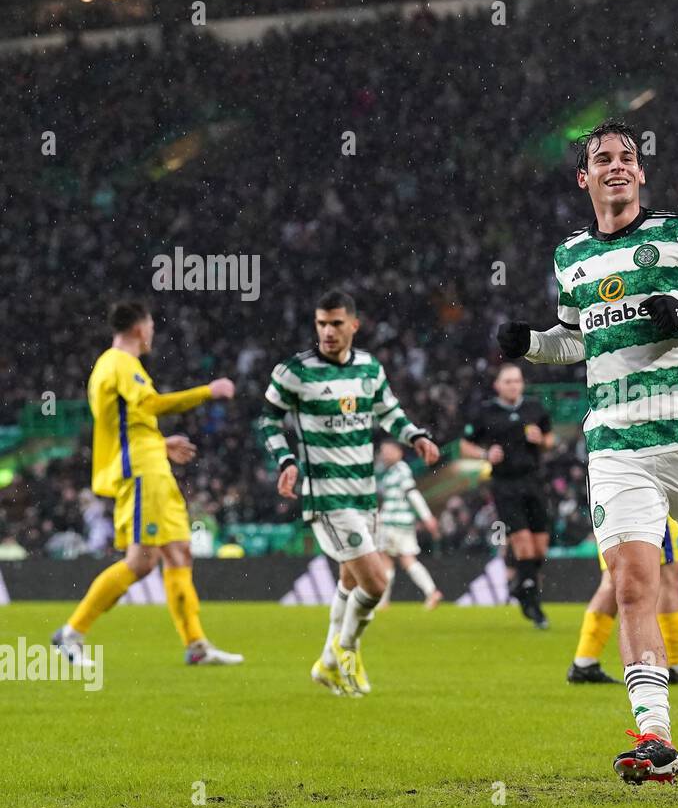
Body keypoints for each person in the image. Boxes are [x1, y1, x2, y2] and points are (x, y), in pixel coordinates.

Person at [497, 118, 678, 785]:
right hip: (615, 446)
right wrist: (530, 345)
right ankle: (655, 737)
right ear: (584, 178)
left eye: (626, 158)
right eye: (602, 159)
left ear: (641, 173)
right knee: (633, 582)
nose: (616, 167)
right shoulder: (569, 255)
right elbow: (577, 341)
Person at [256, 291, 439, 697]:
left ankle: (325, 663)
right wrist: (285, 461)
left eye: (336, 323)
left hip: (363, 492)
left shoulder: (369, 369)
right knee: (375, 582)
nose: (327, 331)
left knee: (348, 579)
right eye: (321, 323)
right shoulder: (294, 371)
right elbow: (268, 419)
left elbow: (389, 411)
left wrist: (416, 437)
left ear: (354, 325)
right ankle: (346, 649)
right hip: (327, 495)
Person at [51, 301, 243, 667]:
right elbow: (152, 404)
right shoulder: (120, 363)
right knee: (141, 561)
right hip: (141, 474)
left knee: (179, 552)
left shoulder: (115, 366)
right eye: (151, 326)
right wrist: (208, 391)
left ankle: (196, 646)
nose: (152, 332)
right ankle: (71, 633)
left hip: (153, 465)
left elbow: (126, 421)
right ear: (141, 328)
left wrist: (160, 443)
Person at [569, 516, 678, 686]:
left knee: (613, 581)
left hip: (609, 504)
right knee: (668, 578)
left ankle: (584, 661)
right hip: (646, 505)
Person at [460, 364, 554, 629]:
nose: (514, 385)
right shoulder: (486, 412)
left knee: (540, 547)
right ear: (497, 385)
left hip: (534, 482)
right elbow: (464, 445)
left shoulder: (535, 408)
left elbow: (550, 439)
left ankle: (523, 586)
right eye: (508, 381)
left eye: (517, 381)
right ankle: (532, 604)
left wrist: (542, 440)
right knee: (522, 541)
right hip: (505, 484)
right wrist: (484, 455)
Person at [375, 440, 443, 610]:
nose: (384, 454)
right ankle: (429, 592)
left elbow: (412, 493)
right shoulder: (390, 471)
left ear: (398, 452)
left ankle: (430, 592)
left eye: (387, 450)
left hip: (395, 522)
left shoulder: (400, 469)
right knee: (398, 560)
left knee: (393, 560)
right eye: (383, 450)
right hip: (397, 521)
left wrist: (427, 517)